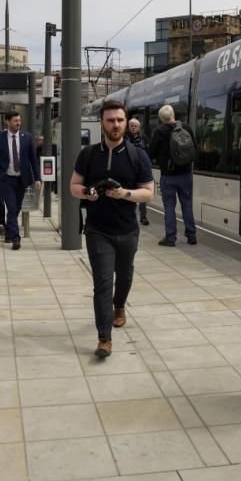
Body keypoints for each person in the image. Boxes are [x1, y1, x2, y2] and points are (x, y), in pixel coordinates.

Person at [70, 100, 154, 358]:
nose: (116, 125)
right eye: (110, 120)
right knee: (103, 283)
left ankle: (120, 306)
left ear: (126, 123)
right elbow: (73, 186)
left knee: (125, 275)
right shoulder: (88, 154)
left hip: (128, 230)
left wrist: (124, 193)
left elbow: (149, 193)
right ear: (102, 124)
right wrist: (87, 193)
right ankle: (104, 339)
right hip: (98, 230)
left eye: (119, 120)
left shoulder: (137, 155)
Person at [0, 111, 41, 250]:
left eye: (19, 120)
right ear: (7, 122)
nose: (18, 123)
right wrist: (0, 173)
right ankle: (15, 238)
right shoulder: (0, 138)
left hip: (22, 179)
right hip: (6, 179)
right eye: (15, 121)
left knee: (16, 208)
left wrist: (37, 178)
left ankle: (9, 231)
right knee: (12, 208)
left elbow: (33, 160)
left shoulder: (27, 137)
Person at [147, 104, 197, 246]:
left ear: (161, 119)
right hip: (186, 174)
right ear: (174, 115)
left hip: (168, 176)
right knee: (187, 204)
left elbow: (151, 153)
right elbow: (194, 149)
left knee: (169, 206)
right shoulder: (185, 128)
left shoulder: (160, 132)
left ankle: (170, 238)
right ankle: (191, 235)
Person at [126, 118, 150, 226]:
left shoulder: (143, 138)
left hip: (141, 169)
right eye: (132, 126)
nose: (134, 128)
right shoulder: (124, 137)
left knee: (142, 195)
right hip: (128, 169)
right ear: (128, 127)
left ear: (139, 128)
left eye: (136, 126)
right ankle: (129, 215)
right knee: (129, 194)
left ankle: (143, 216)